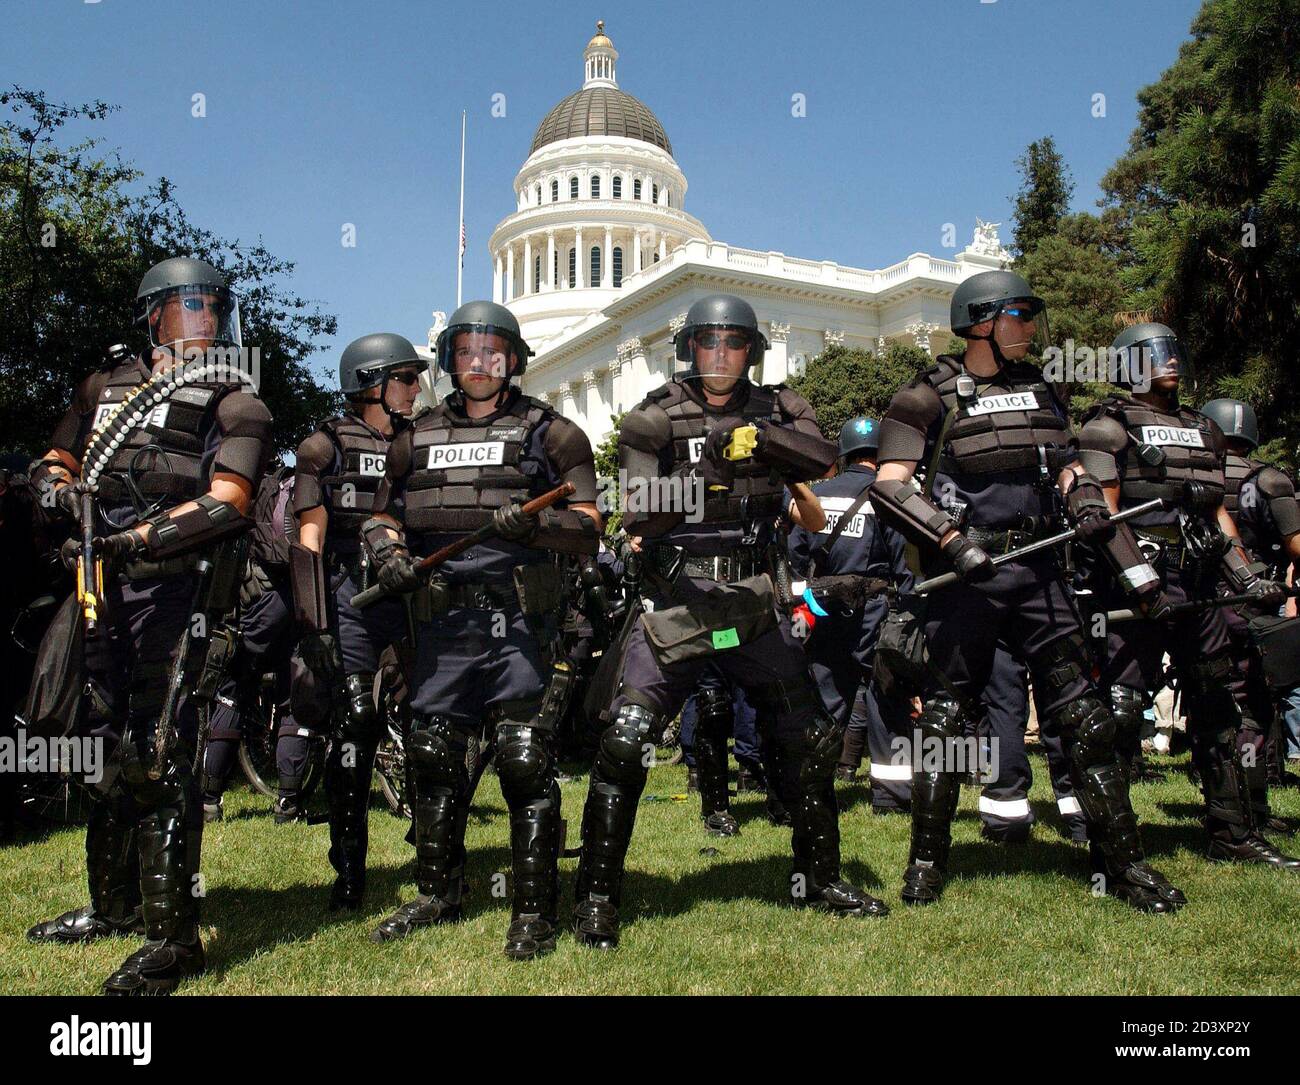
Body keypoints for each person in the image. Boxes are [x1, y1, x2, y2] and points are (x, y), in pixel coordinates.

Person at [571, 293, 890, 951]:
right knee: (628, 740)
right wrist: (710, 470)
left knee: (807, 736)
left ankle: (820, 876)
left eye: (733, 343)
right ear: (690, 347)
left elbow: (822, 461)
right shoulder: (654, 415)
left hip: (753, 595)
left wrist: (771, 445)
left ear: (751, 350)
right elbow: (638, 513)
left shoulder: (779, 405)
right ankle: (597, 897)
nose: (720, 355)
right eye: (708, 342)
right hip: (679, 597)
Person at [869, 270, 1184, 911]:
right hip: (965, 581)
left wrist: (1086, 499)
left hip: (1042, 576)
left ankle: (1123, 867)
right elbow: (890, 483)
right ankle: (926, 865)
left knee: (1087, 720)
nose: (1032, 327)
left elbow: (1069, 466)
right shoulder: (925, 396)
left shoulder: (1043, 390)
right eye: (1021, 314)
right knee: (948, 724)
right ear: (982, 321)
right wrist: (954, 541)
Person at [25, 256, 272, 994]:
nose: (203, 321)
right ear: (153, 316)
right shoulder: (103, 386)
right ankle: (115, 907)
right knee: (101, 749)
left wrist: (140, 539)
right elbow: (56, 457)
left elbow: (231, 498)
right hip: (98, 590)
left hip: (176, 595)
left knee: (160, 757)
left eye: (213, 308)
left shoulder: (235, 395)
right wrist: (56, 490)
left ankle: (174, 939)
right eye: (187, 307)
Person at [364, 301, 602, 959]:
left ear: (513, 360)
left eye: (492, 352)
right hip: (443, 625)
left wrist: (534, 527)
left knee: (525, 763)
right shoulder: (413, 439)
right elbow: (382, 518)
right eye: (466, 351)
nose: (478, 363)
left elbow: (588, 523)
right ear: (450, 361)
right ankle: (438, 892)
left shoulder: (552, 435)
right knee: (434, 760)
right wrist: (387, 552)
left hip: (520, 625)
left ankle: (532, 912)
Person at [1078, 325, 1298, 869]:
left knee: (1219, 706)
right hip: (1135, 585)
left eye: (1174, 352)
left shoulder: (1202, 429)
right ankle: (1112, 846)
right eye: (1155, 355)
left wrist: (1246, 579)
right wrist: (1143, 584)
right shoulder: (1109, 427)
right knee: (1122, 712)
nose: (1170, 362)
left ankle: (1233, 834)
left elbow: (1218, 515)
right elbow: (1102, 516)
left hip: (1199, 582)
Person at [291, 332, 424, 909]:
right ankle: (349, 869)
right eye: (405, 378)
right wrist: (315, 623)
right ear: (372, 384)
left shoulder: (421, 441)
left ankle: (436, 847)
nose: (417, 388)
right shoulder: (323, 446)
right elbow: (309, 540)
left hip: (411, 592)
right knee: (357, 723)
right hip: (349, 594)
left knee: (432, 718)